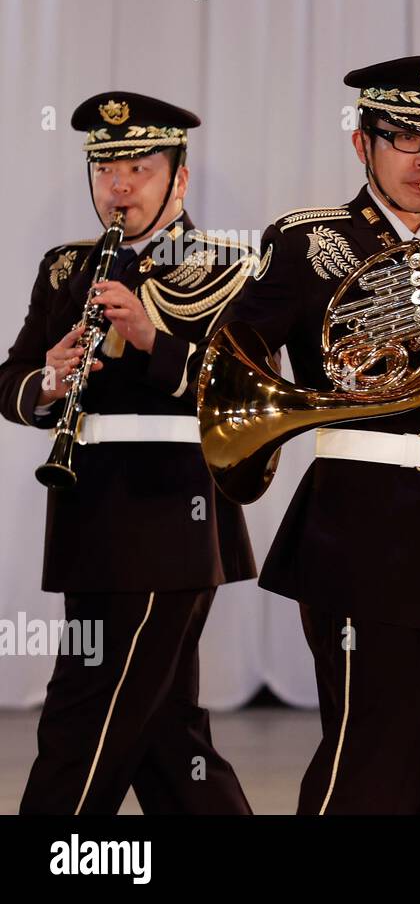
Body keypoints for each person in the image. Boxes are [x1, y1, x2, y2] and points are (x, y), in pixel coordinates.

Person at [207, 57, 420, 814]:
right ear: (362, 143)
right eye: (405, 138)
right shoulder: (309, 243)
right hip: (354, 523)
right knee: (370, 747)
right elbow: (231, 360)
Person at [0, 91, 257, 814]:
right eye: (106, 167)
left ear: (179, 176)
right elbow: (9, 381)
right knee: (168, 734)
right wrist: (48, 379)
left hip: (171, 513)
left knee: (87, 713)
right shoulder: (65, 269)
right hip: (86, 511)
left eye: (140, 167)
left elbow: (244, 392)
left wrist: (153, 341)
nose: (119, 186)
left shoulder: (229, 266)